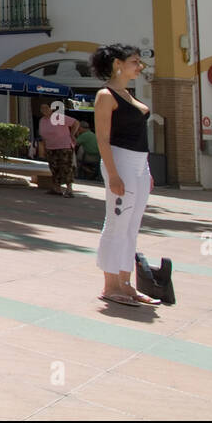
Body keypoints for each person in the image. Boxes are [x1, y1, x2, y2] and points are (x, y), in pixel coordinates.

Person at [92, 43, 159, 306]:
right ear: (117, 64)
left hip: (139, 164)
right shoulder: (105, 95)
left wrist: (147, 170)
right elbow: (102, 139)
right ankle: (111, 285)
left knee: (132, 226)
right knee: (117, 223)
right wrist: (113, 174)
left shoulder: (128, 94)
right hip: (120, 161)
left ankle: (126, 283)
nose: (139, 66)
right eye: (134, 61)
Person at [37, 104, 81, 197]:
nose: (44, 110)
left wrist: (72, 135)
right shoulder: (42, 120)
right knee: (54, 168)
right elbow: (43, 136)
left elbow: (75, 122)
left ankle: (69, 190)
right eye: (42, 108)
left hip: (63, 146)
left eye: (46, 108)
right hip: (50, 147)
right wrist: (44, 148)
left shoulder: (58, 117)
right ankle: (57, 188)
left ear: (51, 108)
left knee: (66, 167)